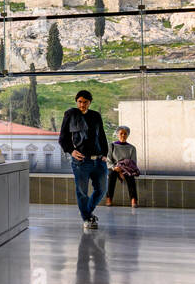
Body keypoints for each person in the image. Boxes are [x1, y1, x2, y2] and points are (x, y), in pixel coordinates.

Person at [58, 90, 109, 230]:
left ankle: (87, 212)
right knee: (82, 192)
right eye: (80, 101)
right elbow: (63, 138)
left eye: (85, 102)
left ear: (90, 102)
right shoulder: (71, 114)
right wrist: (71, 151)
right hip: (81, 162)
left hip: (99, 160)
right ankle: (87, 218)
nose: (82, 104)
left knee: (102, 189)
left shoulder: (95, 116)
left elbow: (102, 136)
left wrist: (105, 154)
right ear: (76, 101)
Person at [104, 125, 139, 208]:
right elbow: (108, 160)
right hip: (114, 167)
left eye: (125, 134)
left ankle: (133, 199)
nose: (123, 135)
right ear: (117, 134)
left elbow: (133, 162)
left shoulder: (132, 148)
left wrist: (124, 170)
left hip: (127, 168)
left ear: (127, 135)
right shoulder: (112, 146)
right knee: (111, 176)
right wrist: (116, 169)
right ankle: (109, 198)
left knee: (131, 178)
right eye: (121, 133)